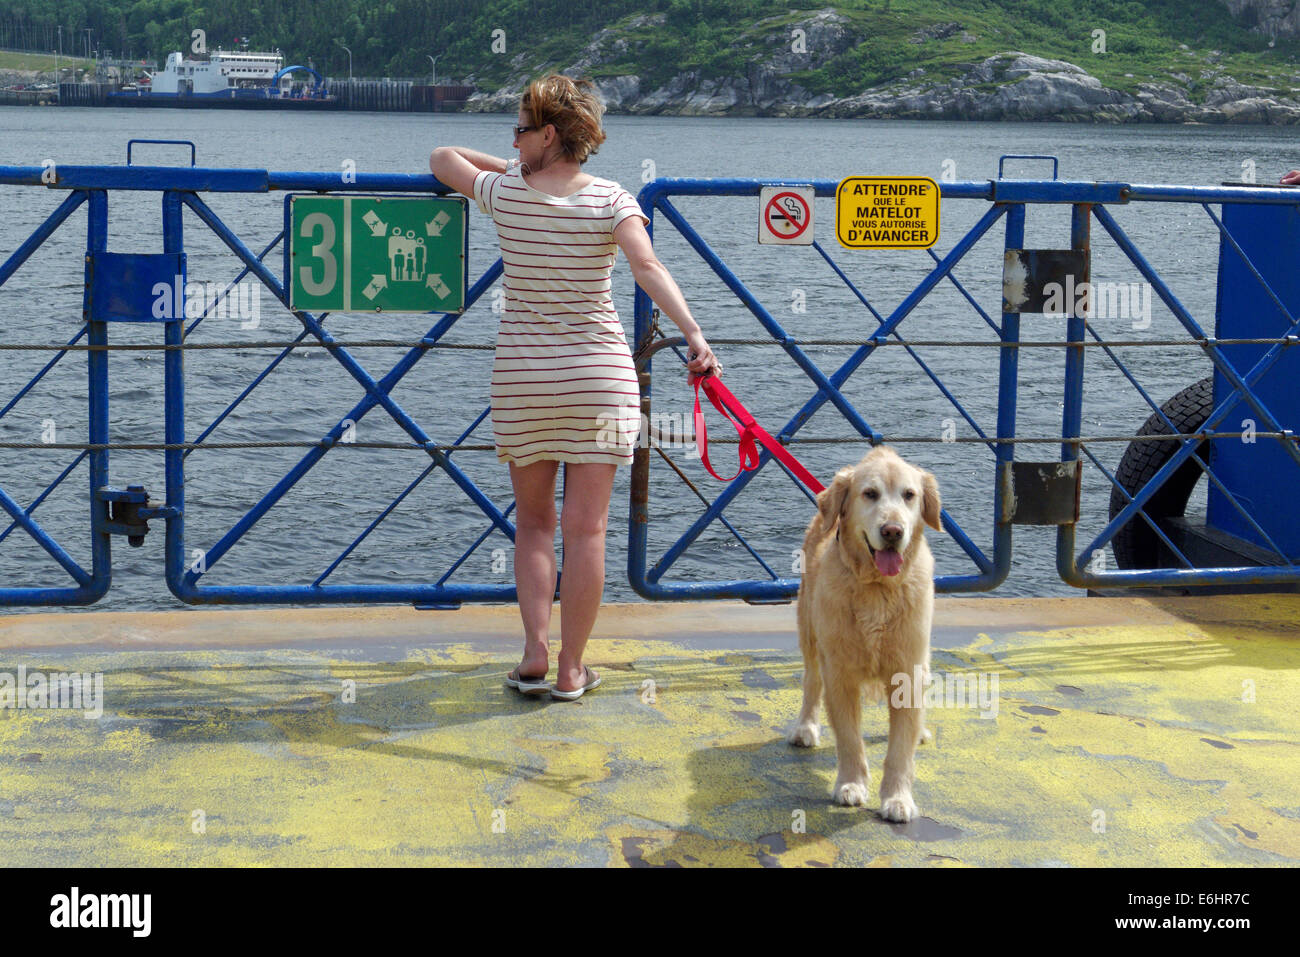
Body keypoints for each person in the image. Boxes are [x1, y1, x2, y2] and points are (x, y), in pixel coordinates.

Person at [430, 73, 718, 699]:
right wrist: (693, 333)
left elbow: (441, 157)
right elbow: (647, 266)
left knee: (534, 525)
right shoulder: (613, 199)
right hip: (600, 379)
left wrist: (518, 165)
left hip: (524, 379)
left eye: (521, 128)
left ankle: (533, 651)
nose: (512, 140)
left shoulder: (505, 192)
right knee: (587, 530)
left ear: (550, 133)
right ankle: (571, 668)